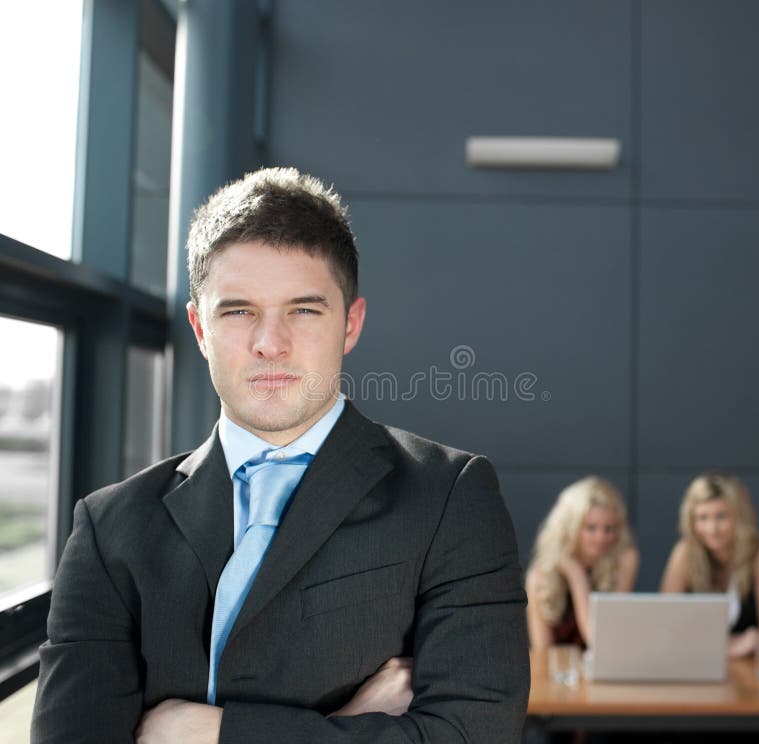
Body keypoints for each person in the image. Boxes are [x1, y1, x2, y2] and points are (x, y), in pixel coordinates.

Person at [31, 168, 530, 743]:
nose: (271, 342)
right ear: (199, 327)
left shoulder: (449, 495)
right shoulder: (109, 527)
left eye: (304, 310)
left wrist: (205, 734)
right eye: (239, 310)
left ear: (351, 325)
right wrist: (339, 727)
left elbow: (474, 735)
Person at [660, 471, 759, 658]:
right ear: (691, 521)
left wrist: (700, 645)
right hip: (693, 668)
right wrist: (728, 647)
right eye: (702, 518)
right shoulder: (685, 553)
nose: (712, 529)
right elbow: (663, 627)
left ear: (740, 517)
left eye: (721, 516)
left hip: (748, 670)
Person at [525, 477, 639, 649]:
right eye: (591, 528)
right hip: (561, 674)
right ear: (570, 528)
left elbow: (600, 642)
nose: (601, 538)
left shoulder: (625, 559)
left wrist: (577, 577)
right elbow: (542, 650)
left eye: (609, 529)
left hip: (605, 671)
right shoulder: (541, 575)